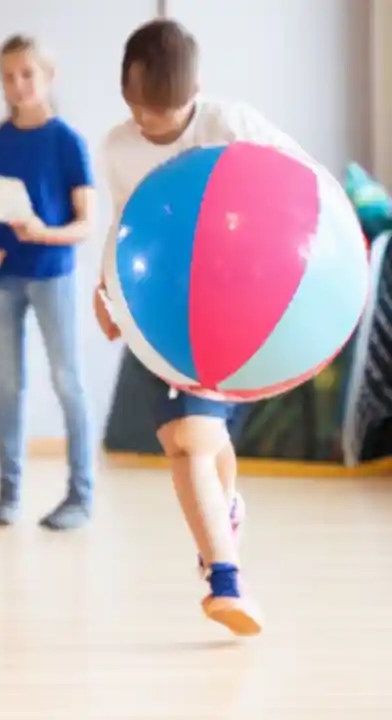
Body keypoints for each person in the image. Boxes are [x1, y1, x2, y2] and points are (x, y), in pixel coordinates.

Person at [96, 19, 311, 635]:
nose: (155, 126)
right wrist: (104, 290)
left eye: (169, 112)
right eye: (142, 112)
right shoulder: (118, 147)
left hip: (235, 311)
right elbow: (124, 223)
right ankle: (223, 553)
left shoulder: (231, 125)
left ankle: (225, 548)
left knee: (199, 441)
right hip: (161, 313)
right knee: (186, 442)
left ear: (197, 92)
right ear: (124, 96)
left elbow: (300, 185)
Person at [0, 34, 97, 530]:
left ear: (47, 77)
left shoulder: (67, 142)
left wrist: (46, 234)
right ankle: (9, 496)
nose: (17, 85)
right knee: (9, 385)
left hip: (51, 277)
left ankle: (81, 497)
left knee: (68, 382)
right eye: (8, 76)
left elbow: (86, 223)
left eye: (26, 74)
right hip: (1, 281)